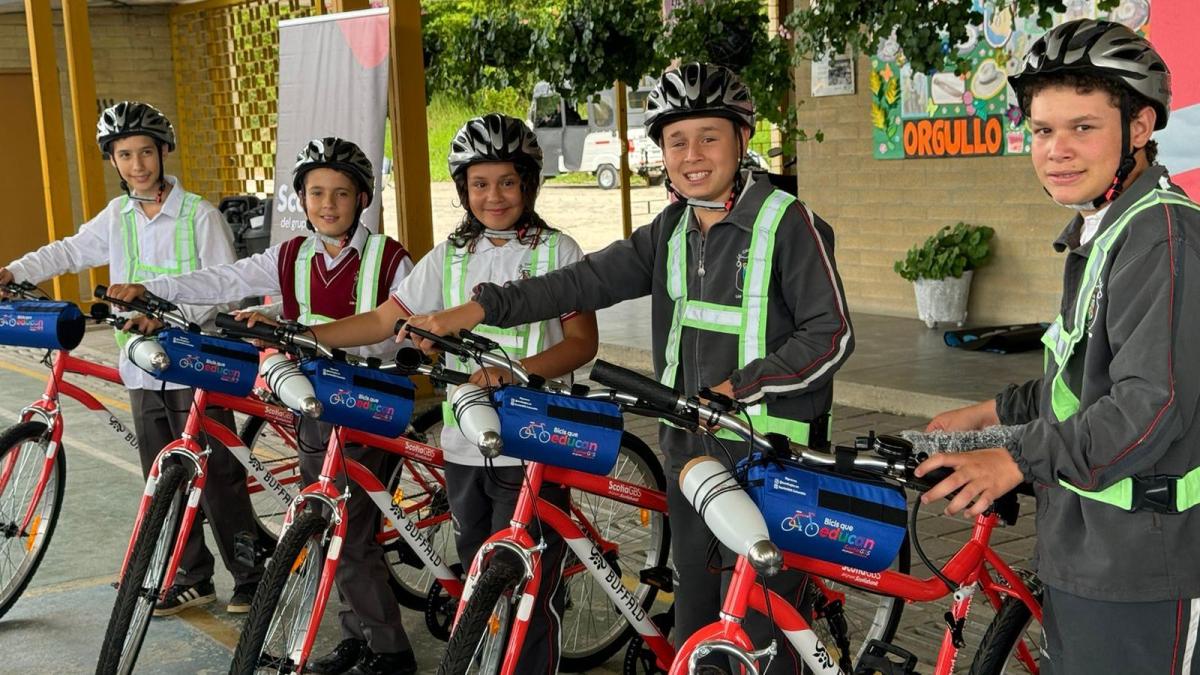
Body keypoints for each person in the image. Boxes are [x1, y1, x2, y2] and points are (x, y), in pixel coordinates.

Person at [401, 64, 854, 673]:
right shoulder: (670, 229)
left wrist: (738, 389)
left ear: (742, 139)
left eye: (709, 137)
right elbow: (583, 280)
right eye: (676, 141)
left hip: (772, 452)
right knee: (697, 614)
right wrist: (478, 308)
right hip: (688, 446)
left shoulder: (786, 222)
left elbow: (831, 334)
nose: (692, 155)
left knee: (761, 625)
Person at [916, 19, 1200, 673]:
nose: (1057, 150)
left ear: (1138, 127)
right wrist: (990, 414)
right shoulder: (1102, 231)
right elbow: (1080, 381)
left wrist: (1015, 456)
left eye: (1083, 127)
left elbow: (1148, 407)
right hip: (1084, 551)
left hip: (1143, 569)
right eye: (1043, 130)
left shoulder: (1162, 237)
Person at [282, 113, 596, 673]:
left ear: (528, 183)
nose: (493, 196)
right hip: (463, 443)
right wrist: (305, 337)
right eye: (479, 184)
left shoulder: (559, 251)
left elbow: (581, 344)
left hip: (533, 440)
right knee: (479, 573)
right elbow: (383, 319)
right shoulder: (450, 254)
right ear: (463, 190)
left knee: (528, 582)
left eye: (506, 181)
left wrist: (516, 371)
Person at [108, 137, 417, 675]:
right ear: (301, 198)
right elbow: (223, 279)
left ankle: (390, 651)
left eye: (340, 193)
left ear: (363, 198)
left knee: (350, 530)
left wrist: (308, 333)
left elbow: (402, 334)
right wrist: (153, 290)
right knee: (322, 523)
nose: (327, 204)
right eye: (315, 192)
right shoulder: (292, 253)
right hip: (311, 407)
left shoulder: (391, 258)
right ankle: (356, 632)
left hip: (367, 405)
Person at [0, 101, 263, 615]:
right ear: (113, 161)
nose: (137, 164)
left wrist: (168, 314)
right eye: (125, 155)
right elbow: (68, 251)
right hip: (142, 369)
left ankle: (249, 575)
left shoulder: (199, 215)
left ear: (164, 153)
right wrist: (12, 270)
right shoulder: (117, 216)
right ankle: (193, 574)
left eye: (146, 152)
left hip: (196, 366)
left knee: (219, 480)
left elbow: (226, 289)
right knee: (163, 476)